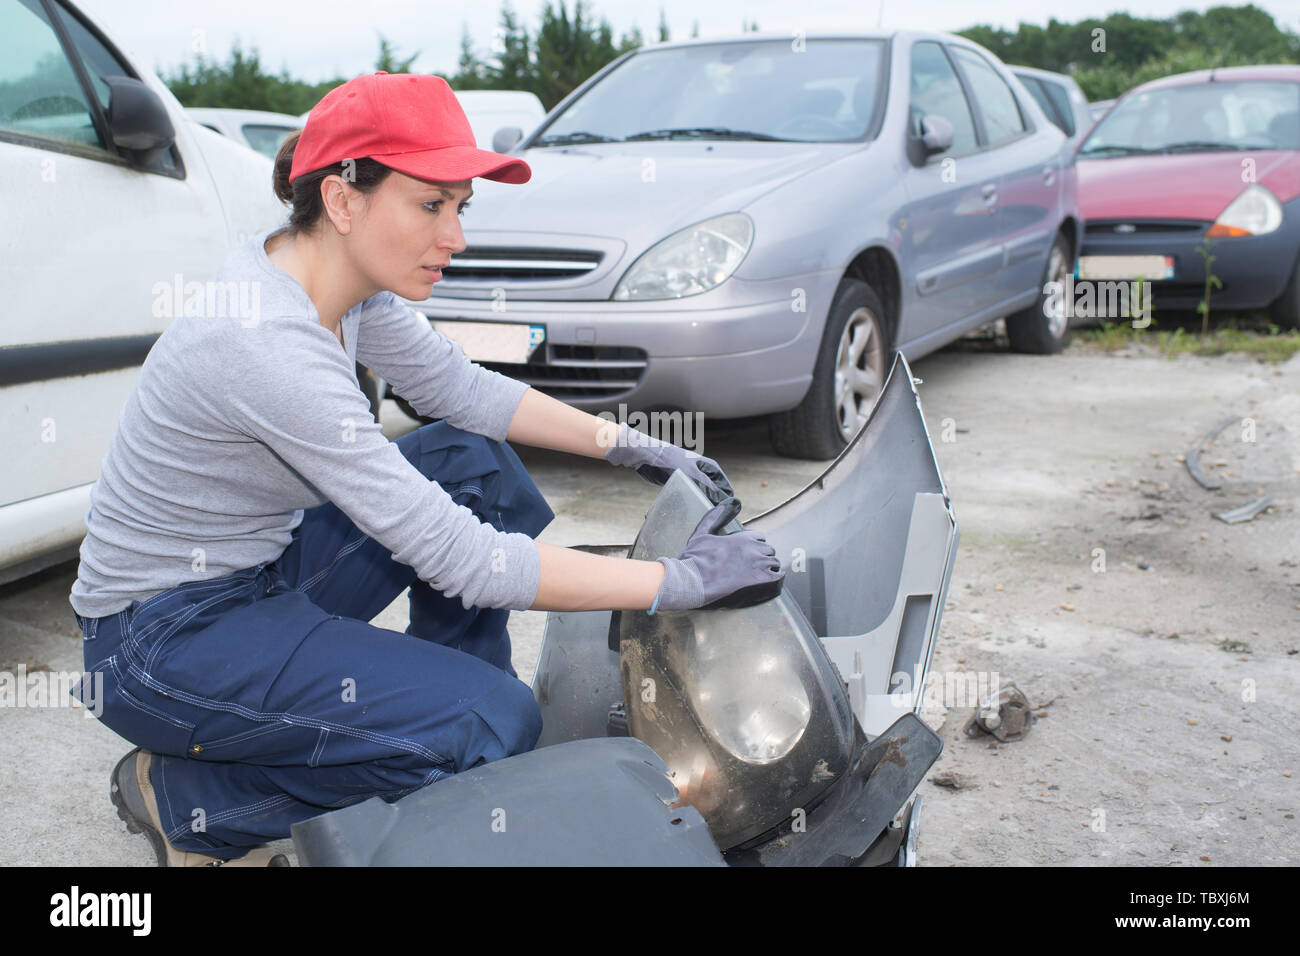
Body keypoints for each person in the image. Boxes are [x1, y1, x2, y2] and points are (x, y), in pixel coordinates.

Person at [68, 72, 784, 867]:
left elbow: (461, 390)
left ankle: (457, 720)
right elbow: (463, 559)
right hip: (160, 641)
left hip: (252, 575)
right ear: (344, 199)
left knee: (467, 459)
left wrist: (633, 445)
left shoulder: (336, 283)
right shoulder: (264, 342)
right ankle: (189, 802)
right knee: (489, 722)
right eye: (431, 205)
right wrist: (674, 582)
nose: (457, 237)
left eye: (461, 207)